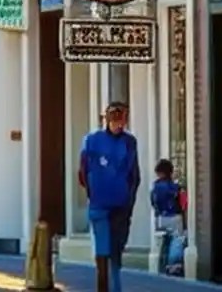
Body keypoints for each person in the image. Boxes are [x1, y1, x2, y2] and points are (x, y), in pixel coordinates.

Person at [78, 102, 140, 292]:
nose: (119, 125)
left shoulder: (129, 142)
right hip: (102, 204)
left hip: (119, 205)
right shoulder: (92, 141)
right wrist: (92, 193)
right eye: (115, 121)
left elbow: (134, 175)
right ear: (107, 120)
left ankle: (110, 285)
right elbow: (82, 171)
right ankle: (108, 287)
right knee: (105, 251)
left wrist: (129, 201)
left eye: (122, 121)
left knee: (114, 249)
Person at [150, 159, 186, 275]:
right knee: (177, 239)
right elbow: (182, 204)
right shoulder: (174, 187)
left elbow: (153, 202)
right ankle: (174, 265)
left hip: (159, 218)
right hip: (174, 217)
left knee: (163, 241)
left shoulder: (155, 187)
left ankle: (161, 265)